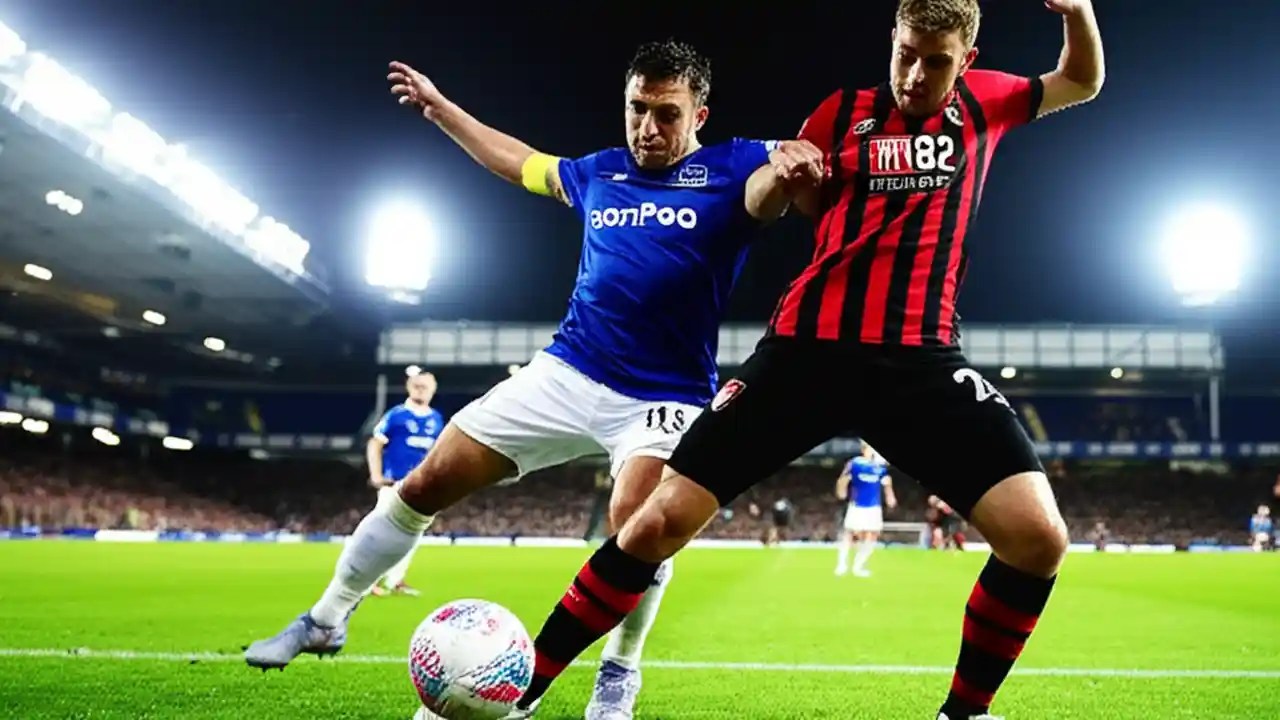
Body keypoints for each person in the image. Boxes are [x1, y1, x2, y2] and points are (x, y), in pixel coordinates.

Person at [510, 2, 1104, 719]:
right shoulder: (840, 112)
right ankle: (523, 690)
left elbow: (1081, 81)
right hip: (804, 353)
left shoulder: (989, 103)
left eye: (936, 61)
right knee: (655, 522)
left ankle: (963, 712)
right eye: (906, 53)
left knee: (1038, 538)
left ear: (967, 61)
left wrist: (1079, 13)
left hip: (919, 362)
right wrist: (786, 174)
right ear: (892, 41)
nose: (915, 75)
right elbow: (789, 205)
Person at [243, 39, 823, 720]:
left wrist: (793, 166)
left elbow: (781, 184)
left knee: (637, 524)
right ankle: (325, 618)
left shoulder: (735, 164)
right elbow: (516, 160)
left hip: (664, 395)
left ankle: (619, 669)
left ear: (699, 113)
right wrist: (442, 110)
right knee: (423, 484)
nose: (647, 127)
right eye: (637, 109)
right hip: (569, 370)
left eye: (666, 114)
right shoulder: (598, 172)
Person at [365, 370, 444, 597]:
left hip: (422, 487)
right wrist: (376, 474)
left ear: (433, 389)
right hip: (394, 485)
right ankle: (368, 581)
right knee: (383, 532)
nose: (421, 389)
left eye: (425, 386)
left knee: (412, 536)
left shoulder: (436, 419)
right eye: (417, 385)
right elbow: (375, 444)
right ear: (409, 387)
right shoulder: (396, 415)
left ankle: (395, 581)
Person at [835, 443, 897, 576]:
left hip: (874, 507)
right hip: (856, 505)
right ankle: (842, 564)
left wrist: (890, 496)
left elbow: (886, 482)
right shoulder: (855, 463)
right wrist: (841, 491)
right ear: (864, 450)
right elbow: (843, 478)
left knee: (872, 535)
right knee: (849, 534)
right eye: (870, 449)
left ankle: (858, 566)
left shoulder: (880, 467)